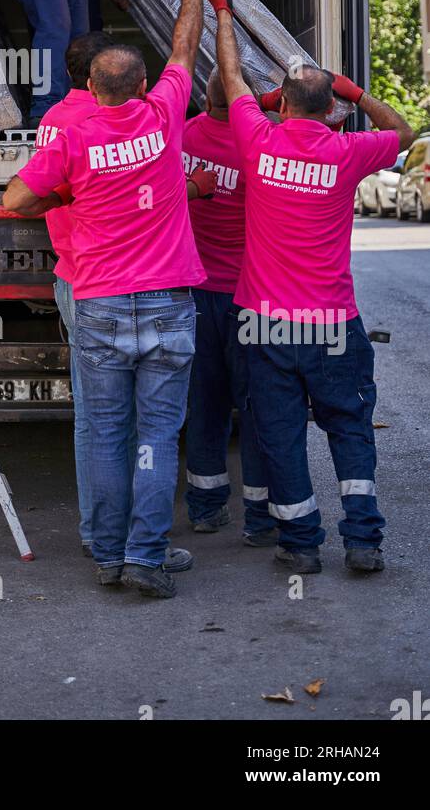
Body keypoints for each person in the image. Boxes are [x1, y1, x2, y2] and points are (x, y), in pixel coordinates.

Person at [3, 0, 224, 599]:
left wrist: (65, 190)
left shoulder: (72, 135)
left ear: (90, 89)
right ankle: (145, 556)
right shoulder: (164, 116)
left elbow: (15, 200)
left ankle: (107, 553)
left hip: (97, 300)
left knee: (103, 430)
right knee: (157, 434)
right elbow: (184, 51)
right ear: (142, 86)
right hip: (167, 303)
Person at [209, 0, 415, 575]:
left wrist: (223, 9)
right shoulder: (348, 152)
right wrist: (356, 90)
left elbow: (229, 79)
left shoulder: (257, 141)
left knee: (278, 435)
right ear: (333, 109)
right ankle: (363, 541)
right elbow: (404, 132)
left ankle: (300, 545)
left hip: (264, 323)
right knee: (350, 428)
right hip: (331, 322)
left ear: (279, 102)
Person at [182, 67, 275, 546]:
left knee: (205, 401)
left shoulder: (182, 136)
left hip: (195, 293)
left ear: (203, 96)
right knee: (255, 404)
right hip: (248, 296)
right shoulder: (258, 146)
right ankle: (260, 515)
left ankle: (205, 506)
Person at [36, 31, 118, 554]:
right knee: (117, 419)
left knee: (91, 415)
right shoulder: (99, 123)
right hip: (109, 281)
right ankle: (111, 534)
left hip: (70, 274)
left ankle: (98, 530)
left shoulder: (50, 122)